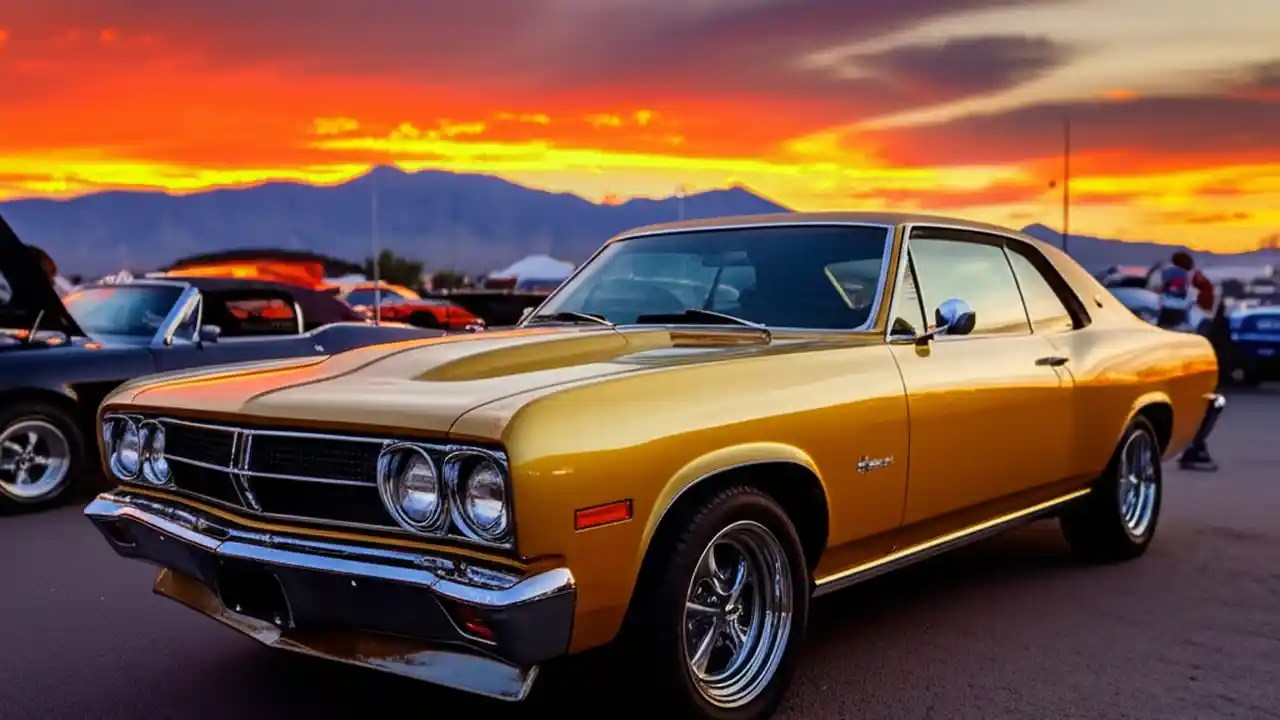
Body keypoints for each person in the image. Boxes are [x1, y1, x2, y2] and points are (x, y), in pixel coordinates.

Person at [1152, 251, 1224, 471]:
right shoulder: (1192, 302)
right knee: (1210, 403)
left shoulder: (1158, 298)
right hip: (1184, 363)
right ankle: (1194, 446)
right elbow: (1207, 313)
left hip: (1165, 362)